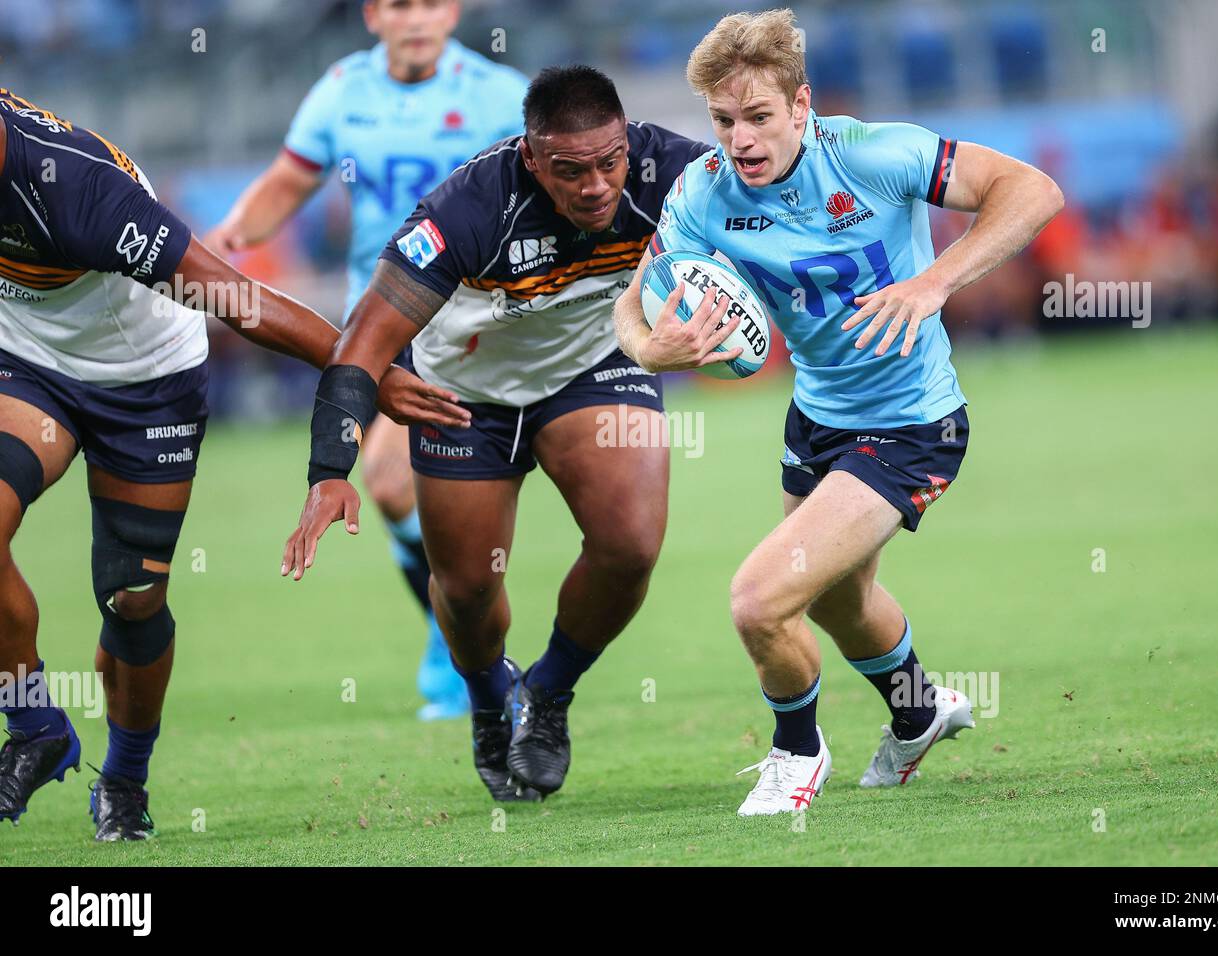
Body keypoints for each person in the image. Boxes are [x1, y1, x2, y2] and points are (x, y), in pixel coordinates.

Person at [613, 9, 1064, 815]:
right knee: (834, 598)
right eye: (723, 121)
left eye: (758, 117)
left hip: (913, 425)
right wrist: (649, 350)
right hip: (817, 418)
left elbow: (1031, 190)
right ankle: (919, 712)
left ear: (801, 106)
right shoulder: (704, 193)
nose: (740, 140)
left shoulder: (872, 155)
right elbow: (634, 296)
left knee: (759, 600)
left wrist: (934, 282)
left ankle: (796, 756)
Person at [0, 89, 455, 839]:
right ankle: (34, 726)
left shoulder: (79, 191)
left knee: (132, 600)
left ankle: (125, 779)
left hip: (143, 379)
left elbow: (240, 301)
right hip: (25, 364)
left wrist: (364, 372)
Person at [282, 66, 723, 801]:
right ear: (531, 157)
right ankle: (492, 700)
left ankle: (546, 696)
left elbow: (776, 222)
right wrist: (330, 469)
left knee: (631, 544)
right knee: (467, 591)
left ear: (626, 144)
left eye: (608, 163)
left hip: (592, 367)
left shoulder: (672, 172)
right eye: (569, 171)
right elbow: (361, 344)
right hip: (463, 395)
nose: (594, 186)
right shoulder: (464, 210)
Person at [207, 0, 528, 720]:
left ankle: (473, 640)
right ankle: (457, 645)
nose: (416, 18)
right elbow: (288, 181)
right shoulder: (342, 90)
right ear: (371, 14)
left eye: (430, 3)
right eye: (398, 4)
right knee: (388, 486)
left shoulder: (498, 94)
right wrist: (231, 234)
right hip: (384, 322)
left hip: (482, 320)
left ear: (455, 10)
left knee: (485, 490)